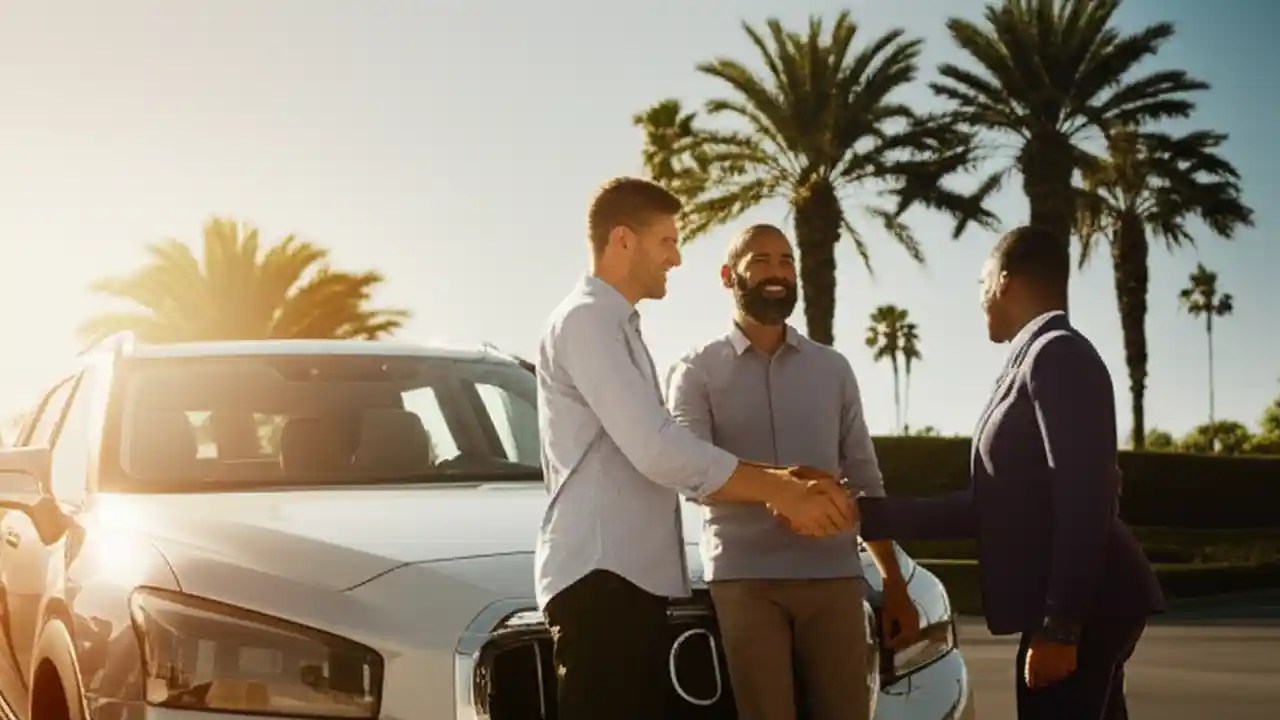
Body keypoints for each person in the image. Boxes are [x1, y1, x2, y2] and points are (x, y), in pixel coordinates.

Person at [535, 177, 858, 720]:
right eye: (666, 241)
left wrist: (783, 480)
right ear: (622, 240)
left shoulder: (615, 325)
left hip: (624, 582)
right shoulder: (588, 320)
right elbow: (659, 451)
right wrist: (781, 489)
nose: (676, 258)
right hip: (601, 581)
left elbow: (671, 447)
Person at [856, 225, 1165, 720]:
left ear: (1003, 281)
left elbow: (1086, 495)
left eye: (981, 285)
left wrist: (1062, 625)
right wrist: (865, 515)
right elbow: (992, 505)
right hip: (1083, 606)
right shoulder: (1035, 357)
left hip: (1081, 612)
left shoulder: (1056, 354)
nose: (980, 299)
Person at [665, 224, 920, 720]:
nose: (777, 272)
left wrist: (892, 582)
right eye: (760, 261)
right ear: (727, 276)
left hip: (834, 579)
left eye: (786, 261)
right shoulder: (695, 371)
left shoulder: (833, 370)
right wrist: (783, 487)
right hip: (745, 582)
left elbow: (866, 479)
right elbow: (690, 471)